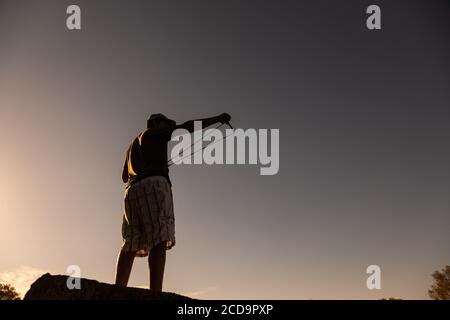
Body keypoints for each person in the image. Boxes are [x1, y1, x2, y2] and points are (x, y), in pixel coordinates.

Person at [114, 112, 231, 291]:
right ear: (155, 123)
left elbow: (124, 176)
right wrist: (218, 119)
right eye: (167, 122)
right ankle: (156, 292)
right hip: (154, 185)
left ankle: (117, 289)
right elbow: (189, 127)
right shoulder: (154, 133)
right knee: (159, 237)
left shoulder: (132, 145)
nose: (170, 124)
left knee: (130, 241)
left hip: (131, 191)